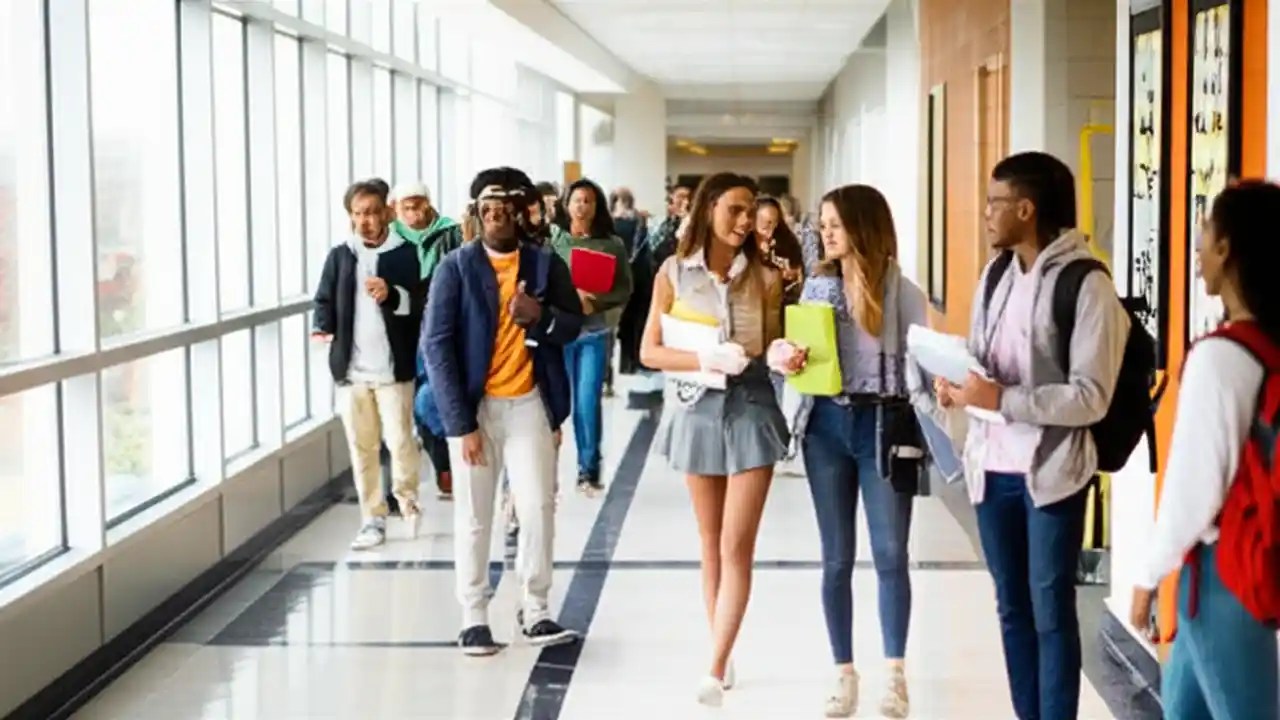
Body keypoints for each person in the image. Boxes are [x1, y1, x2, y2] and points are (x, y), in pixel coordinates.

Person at [936, 152, 1129, 720]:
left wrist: (1004, 400)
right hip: (991, 469)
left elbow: (1091, 395)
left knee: (1050, 609)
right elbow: (983, 358)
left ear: (1026, 208)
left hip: (1053, 472)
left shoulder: (1087, 283)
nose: (987, 213)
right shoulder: (995, 274)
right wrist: (960, 384)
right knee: (1013, 608)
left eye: (996, 203)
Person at [640, 172, 794, 707]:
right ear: (708, 210)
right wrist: (703, 358)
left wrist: (782, 354)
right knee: (709, 545)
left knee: (736, 544)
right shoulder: (673, 273)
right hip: (696, 406)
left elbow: (778, 343)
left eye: (750, 211)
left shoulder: (768, 277)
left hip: (752, 406)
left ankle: (712, 666)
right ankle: (723, 654)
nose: (745, 220)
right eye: (735, 209)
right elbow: (649, 352)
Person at [772, 185, 926, 718]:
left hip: (883, 424)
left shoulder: (903, 293)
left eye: (836, 223)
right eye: (823, 223)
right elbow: (799, 357)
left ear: (864, 226)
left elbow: (921, 368)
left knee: (890, 554)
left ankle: (895, 674)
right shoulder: (816, 287)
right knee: (836, 558)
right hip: (825, 427)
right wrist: (785, 356)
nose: (825, 232)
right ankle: (843, 672)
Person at [1130, 180, 1280, 719]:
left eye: (1207, 230)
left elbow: (1194, 490)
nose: (1198, 244)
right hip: (1245, 563)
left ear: (1228, 248)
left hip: (1223, 575)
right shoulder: (1270, 347)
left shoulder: (1219, 358)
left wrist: (1148, 577)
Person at [423, 167, 584, 655]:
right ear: (477, 215)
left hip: (528, 404)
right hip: (473, 411)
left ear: (518, 214)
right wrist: (460, 424)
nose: (497, 216)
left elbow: (574, 325)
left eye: (505, 209)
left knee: (537, 507)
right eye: (487, 209)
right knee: (475, 515)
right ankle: (473, 615)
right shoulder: (455, 267)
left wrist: (544, 318)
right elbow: (437, 346)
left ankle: (535, 608)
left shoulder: (543, 264)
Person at [313, 179, 424, 551]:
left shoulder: (404, 253)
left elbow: (416, 306)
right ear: (350, 217)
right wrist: (321, 328)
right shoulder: (340, 256)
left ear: (387, 214)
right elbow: (323, 299)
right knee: (362, 447)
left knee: (400, 440)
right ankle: (372, 517)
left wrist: (391, 294)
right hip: (352, 372)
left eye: (373, 212)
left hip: (393, 371)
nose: (366, 220)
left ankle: (407, 500)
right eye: (358, 213)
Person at [550, 178, 634, 494]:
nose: (582, 206)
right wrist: (568, 296)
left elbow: (625, 288)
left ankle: (588, 469)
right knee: (553, 405)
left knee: (587, 403)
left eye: (588, 201)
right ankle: (546, 470)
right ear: (566, 205)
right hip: (558, 334)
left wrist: (595, 300)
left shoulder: (611, 244)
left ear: (596, 206)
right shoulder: (554, 242)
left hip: (593, 333)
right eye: (577, 200)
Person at [392, 181, 462, 501]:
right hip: (404, 329)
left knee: (434, 393)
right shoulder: (391, 239)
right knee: (417, 401)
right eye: (406, 206)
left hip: (441, 327)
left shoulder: (450, 233)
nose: (413, 213)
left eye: (418, 204)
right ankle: (443, 463)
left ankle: (452, 456)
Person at [648, 184, 693, 270]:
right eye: (681, 196)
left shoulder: (689, 221)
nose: (685, 201)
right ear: (671, 199)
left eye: (688, 197)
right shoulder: (665, 222)